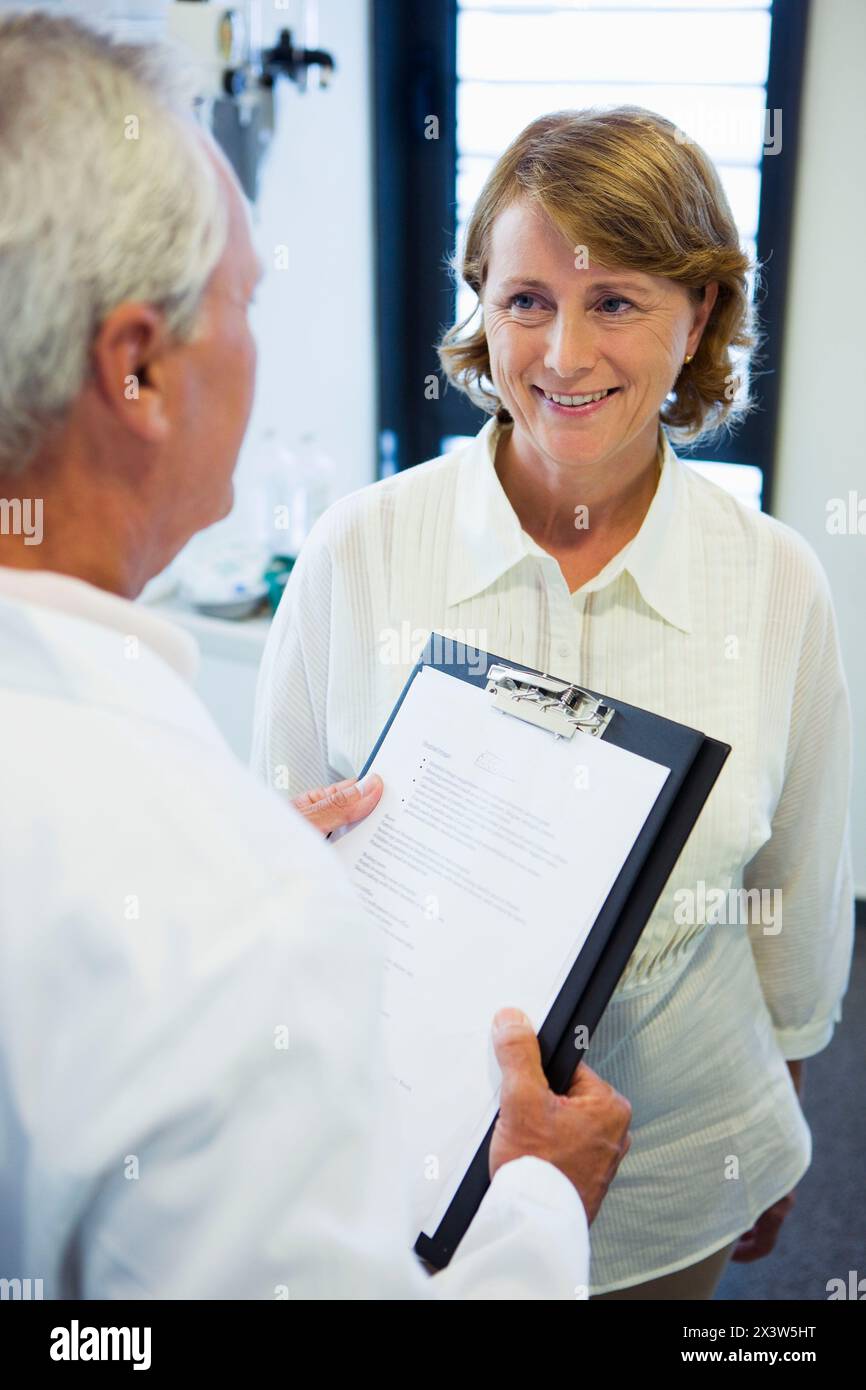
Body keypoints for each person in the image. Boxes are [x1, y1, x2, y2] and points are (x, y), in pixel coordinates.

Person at [0, 16, 632, 1300]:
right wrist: (537, 1199)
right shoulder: (232, 913)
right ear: (139, 370)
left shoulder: (195, 877)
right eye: (244, 302)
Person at [253, 107, 855, 1298]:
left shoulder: (776, 582)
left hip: (674, 1161)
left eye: (614, 301)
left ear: (697, 317)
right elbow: (267, 849)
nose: (563, 355)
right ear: (482, 307)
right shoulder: (357, 551)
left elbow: (795, 885)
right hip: (406, 1155)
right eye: (526, 299)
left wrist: (771, 1113)